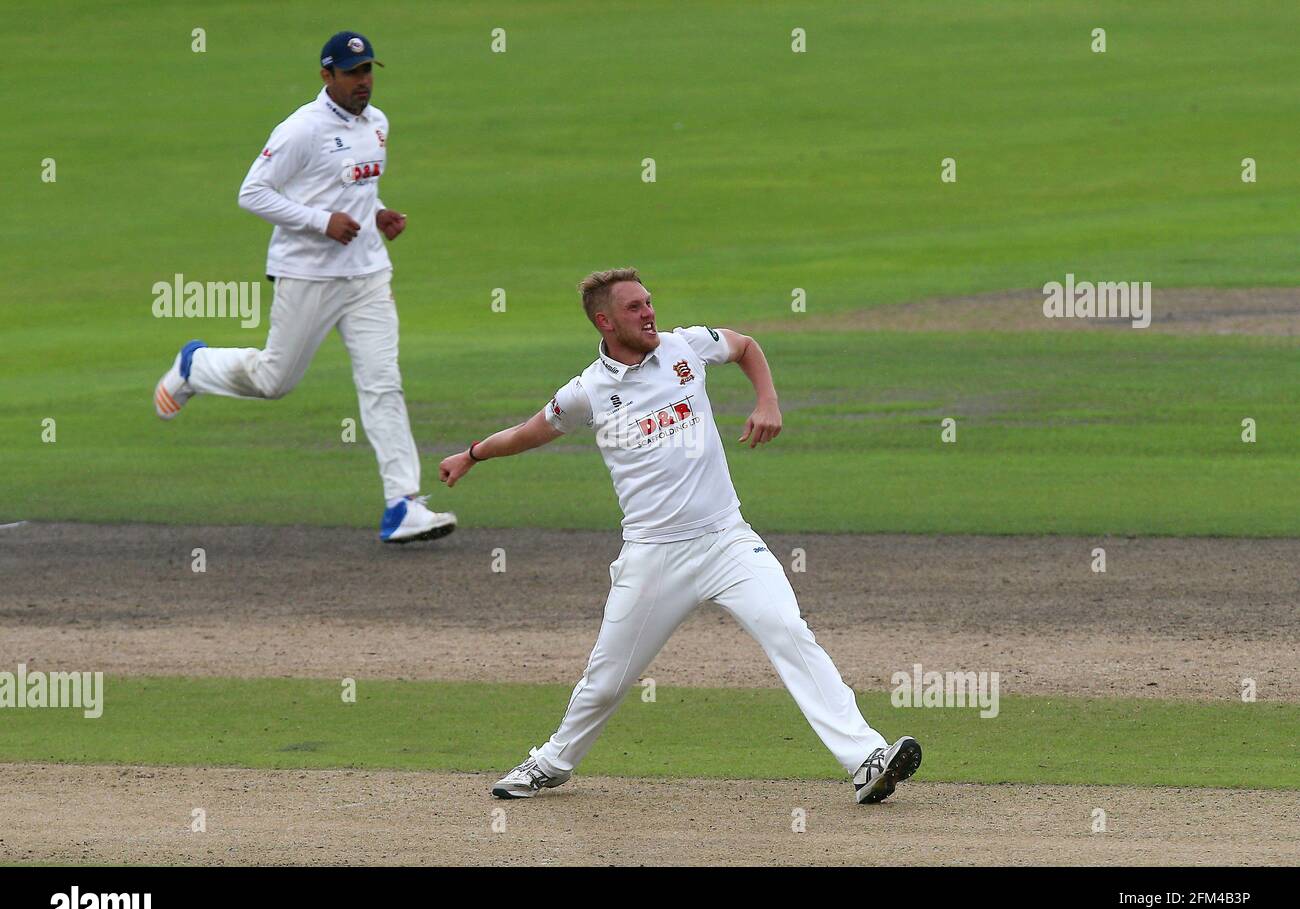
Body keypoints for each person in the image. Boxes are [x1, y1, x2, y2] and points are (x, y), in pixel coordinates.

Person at [438, 268, 921, 804]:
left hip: (727, 539)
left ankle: (866, 760)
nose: (649, 314)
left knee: (788, 630)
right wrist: (473, 454)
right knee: (608, 679)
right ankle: (550, 762)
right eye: (634, 308)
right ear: (605, 321)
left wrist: (768, 402)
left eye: (649, 303)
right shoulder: (587, 392)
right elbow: (527, 433)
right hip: (654, 555)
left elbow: (745, 346)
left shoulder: (685, 346)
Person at [152, 31, 455, 544]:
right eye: (352, 73)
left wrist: (377, 213)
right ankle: (195, 365)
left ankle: (402, 504)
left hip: (368, 274)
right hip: (308, 272)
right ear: (326, 76)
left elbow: (359, 185)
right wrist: (320, 222)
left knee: (383, 384)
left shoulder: (378, 123)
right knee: (276, 381)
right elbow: (252, 194)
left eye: (368, 71)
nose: (364, 82)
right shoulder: (301, 130)